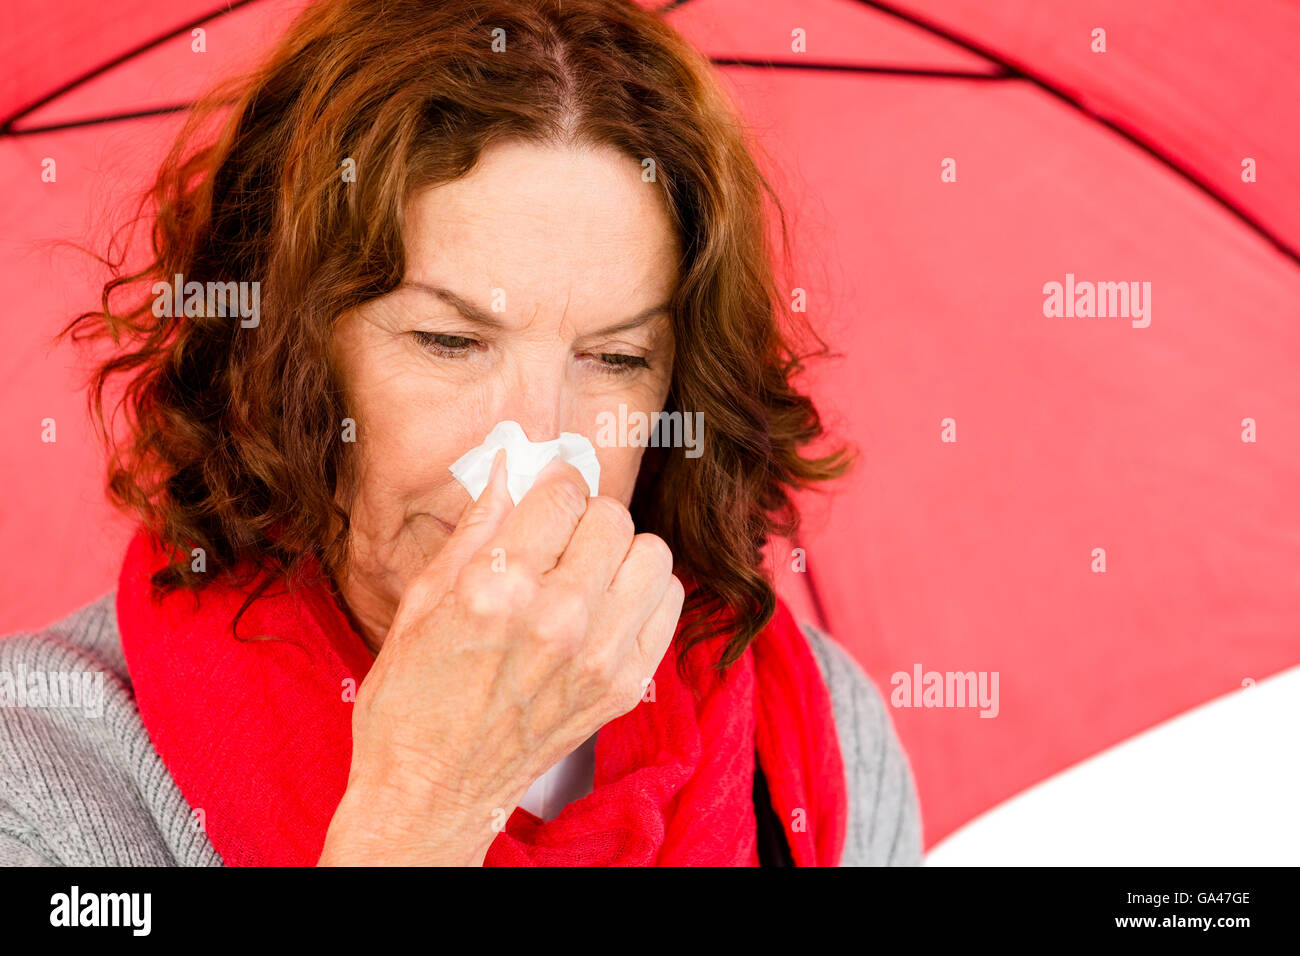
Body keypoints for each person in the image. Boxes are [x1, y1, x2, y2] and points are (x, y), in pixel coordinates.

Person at [0, 0, 921, 866]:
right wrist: (428, 801)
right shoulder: (41, 763)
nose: (533, 459)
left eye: (617, 358)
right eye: (450, 341)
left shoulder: (813, 730)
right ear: (283, 357)